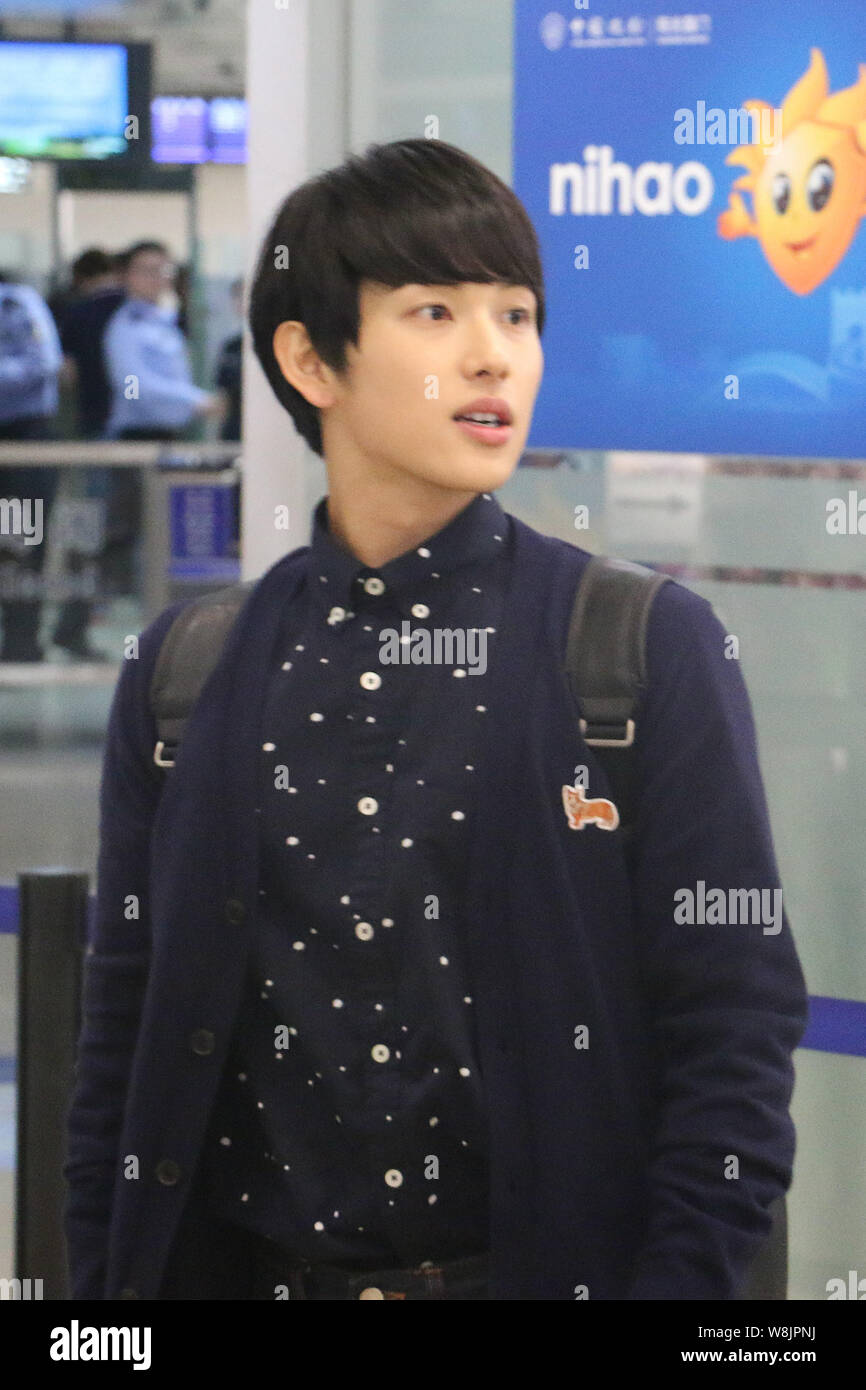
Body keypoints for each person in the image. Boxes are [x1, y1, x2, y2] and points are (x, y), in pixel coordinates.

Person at [64, 138, 808, 1301]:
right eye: (433, 312)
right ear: (311, 360)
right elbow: (120, 1036)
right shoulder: (185, 671)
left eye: (517, 316)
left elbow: (733, 1029)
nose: (491, 357)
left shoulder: (635, 644)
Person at [100, 241, 223, 592]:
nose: (157, 278)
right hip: (137, 439)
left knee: (160, 531)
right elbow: (134, 385)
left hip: (169, 437)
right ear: (127, 276)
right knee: (124, 530)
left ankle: (154, 612)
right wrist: (196, 400)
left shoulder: (165, 321)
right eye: (147, 270)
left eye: (163, 270)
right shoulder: (126, 325)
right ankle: (98, 614)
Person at [0, 273, 62, 662]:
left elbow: (44, 364)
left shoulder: (15, 303)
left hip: (23, 434)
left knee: (20, 541)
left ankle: (22, 642)